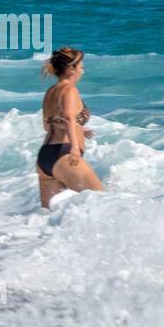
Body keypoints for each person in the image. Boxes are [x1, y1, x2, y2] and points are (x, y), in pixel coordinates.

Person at [36, 47, 104, 209]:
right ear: (70, 69)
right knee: (101, 204)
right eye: (81, 67)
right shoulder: (69, 89)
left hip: (45, 158)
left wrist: (79, 128)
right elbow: (68, 117)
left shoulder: (50, 92)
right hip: (65, 155)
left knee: (50, 217)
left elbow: (48, 125)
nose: (83, 71)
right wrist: (74, 146)